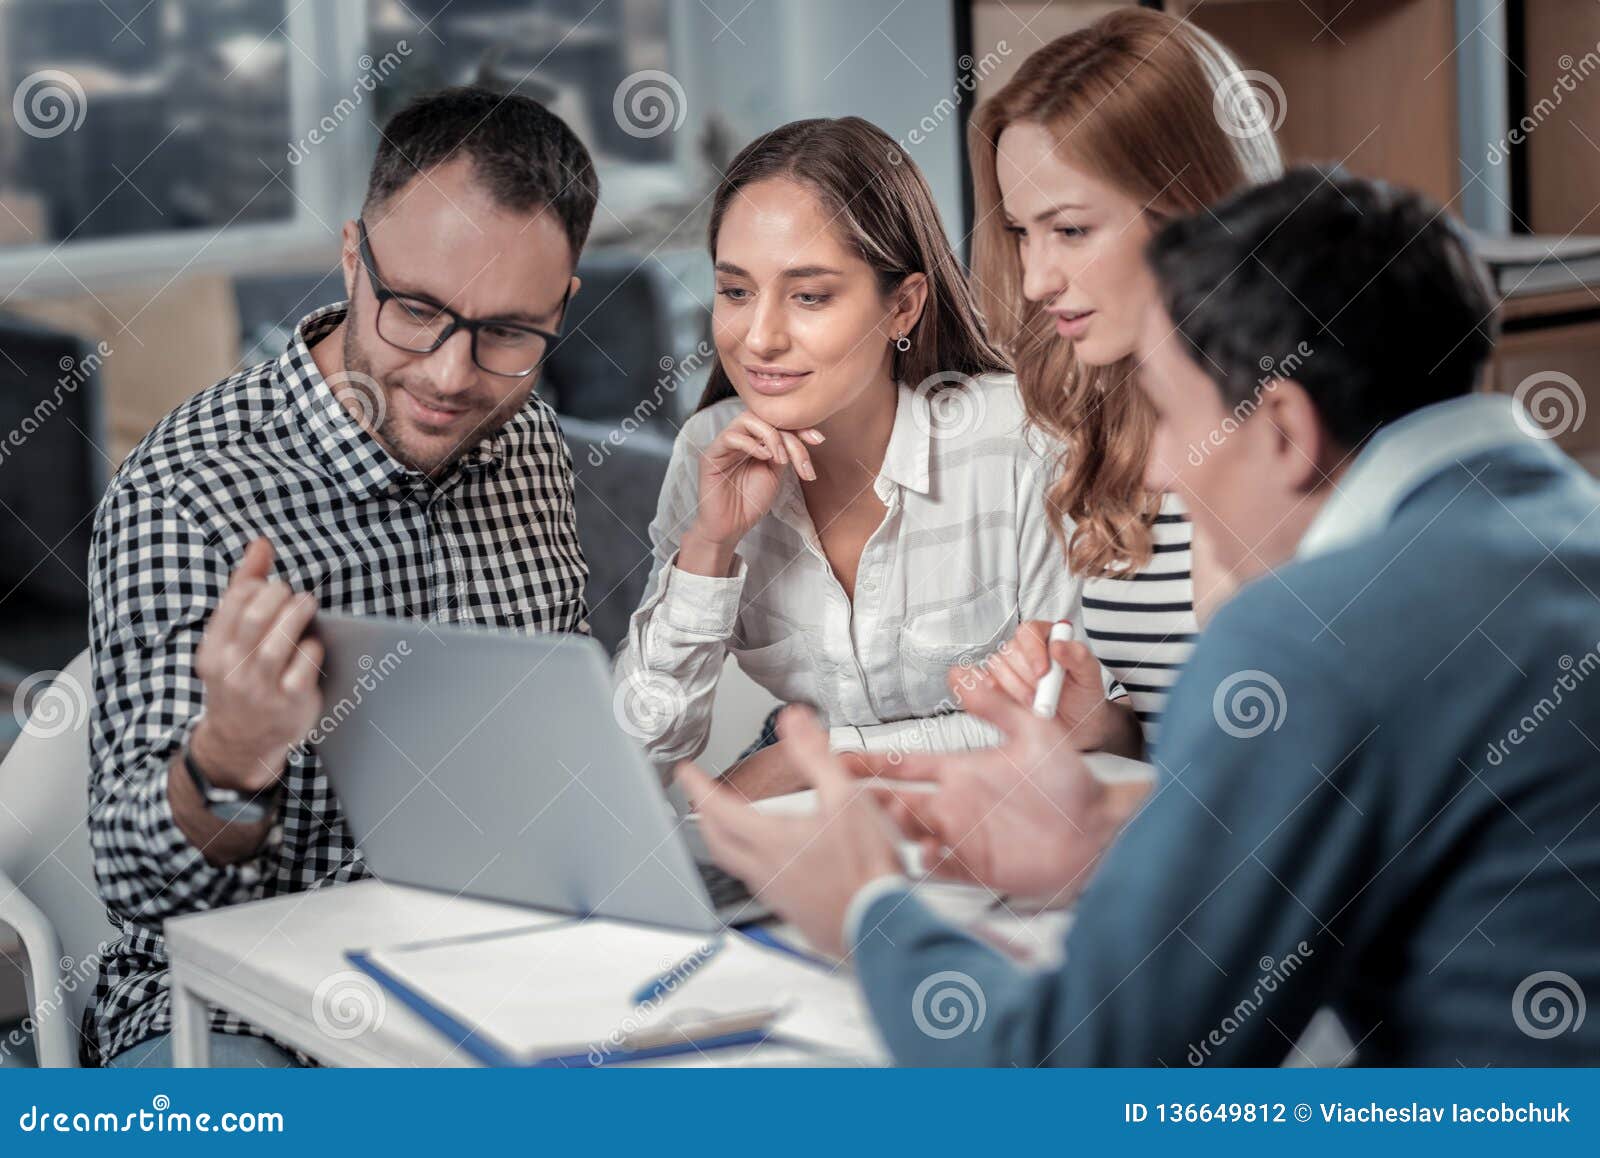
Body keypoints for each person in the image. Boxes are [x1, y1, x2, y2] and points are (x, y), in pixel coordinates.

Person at [682, 167, 1600, 1066]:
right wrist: (1124, 839)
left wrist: (865, 907)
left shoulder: (1311, 635)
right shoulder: (1561, 531)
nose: (1161, 469)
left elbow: (1077, 1078)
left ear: (1282, 426)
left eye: (1167, 416)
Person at [84, 87, 596, 1066]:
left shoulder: (523, 435)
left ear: (560, 305)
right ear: (354, 258)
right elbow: (143, 892)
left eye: (507, 333)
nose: (452, 376)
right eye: (416, 311)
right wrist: (227, 759)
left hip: (488, 965)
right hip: (243, 1009)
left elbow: (546, 741)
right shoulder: (188, 491)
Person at [613, 116, 1139, 800]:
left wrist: (826, 759)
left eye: (809, 296)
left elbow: (1061, 721)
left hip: (997, 796)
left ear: (904, 307)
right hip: (811, 799)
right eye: (736, 291)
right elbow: (635, 756)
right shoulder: (708, 451)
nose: (760, 338)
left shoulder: (1015, 442)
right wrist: (707, 549)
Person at [968, 8, 1282, 741]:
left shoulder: (1303, 422)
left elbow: (1306, 776)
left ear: (1194, 214)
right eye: (1022, 232)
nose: (1037, 279)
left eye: (1070, 230)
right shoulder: (1094, 414)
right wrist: (1104, 729)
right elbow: (1179, 756)